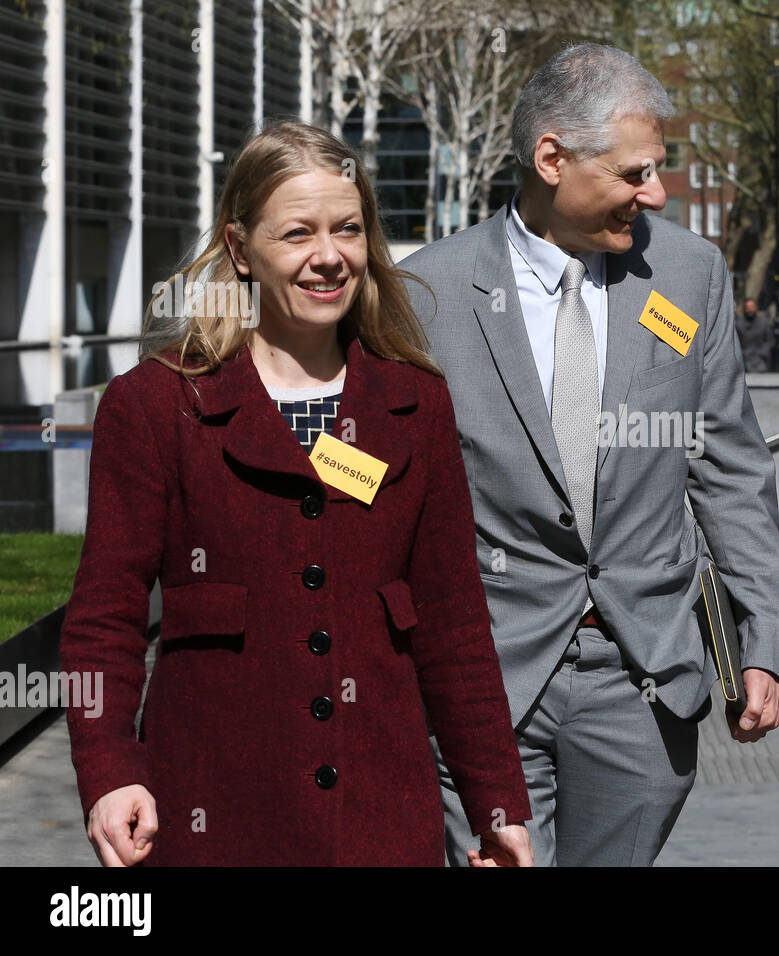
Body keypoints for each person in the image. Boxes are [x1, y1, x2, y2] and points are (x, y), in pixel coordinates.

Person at [60, 121, 533, 867]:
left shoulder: (416, 403)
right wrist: (110, 772)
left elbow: (455, 625)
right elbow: (102, 621)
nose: (329, 256)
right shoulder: (156, 406)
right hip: (210, 817)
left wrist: (496, 802)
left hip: (382, 820)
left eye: (348, 229)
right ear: (241, 248)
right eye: (297, 233)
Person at [401, 43, 779, 867]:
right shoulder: (426, 293)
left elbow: (728, 465)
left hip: (643, 680)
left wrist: (765, 636)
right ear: (552, 158)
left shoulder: (688, 275)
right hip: (487, 683)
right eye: (632, 173)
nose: (653, 193)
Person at [735, 296, 775, 372]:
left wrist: (763, 353)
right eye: (748, 307)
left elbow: (770, 341)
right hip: (744, 361)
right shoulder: (738, 324)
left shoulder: (764, 322)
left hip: (761, 360)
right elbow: (736, 343)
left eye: (752, 307)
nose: (750, 310)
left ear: (756, 308)